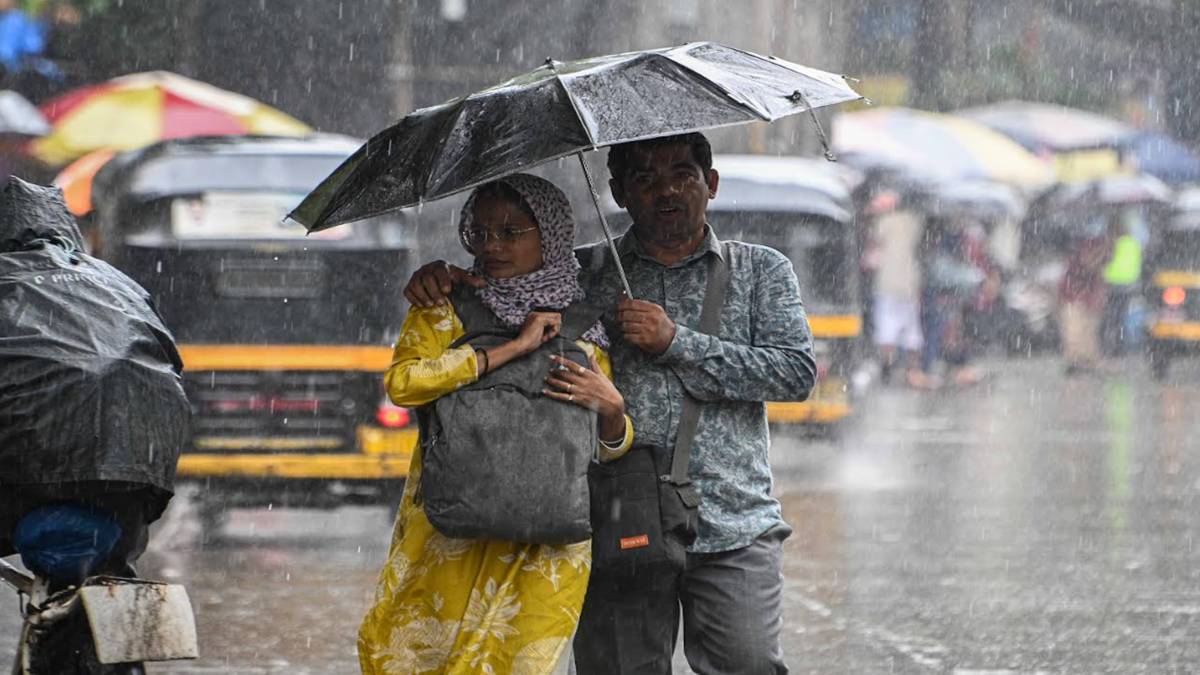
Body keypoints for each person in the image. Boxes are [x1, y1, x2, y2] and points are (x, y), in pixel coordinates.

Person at [404, 133, 816, 674]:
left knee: (749, 663)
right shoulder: (578, 274)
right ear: (618, 192)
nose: (665, 189)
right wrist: (444, 280)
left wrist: (677, 342)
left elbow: (795, 373)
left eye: (682, 174)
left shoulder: (761, 271)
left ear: (710, 184)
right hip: (615, 518)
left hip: (731, 521)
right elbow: (497, 289)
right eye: (643, 177)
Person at [358, 174, 634, 675]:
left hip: (545, 548)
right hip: (446, 535)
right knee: (415, 659)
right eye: (480, 233)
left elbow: (606, 445)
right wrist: (512, 348)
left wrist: (614, 412)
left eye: (512, 232)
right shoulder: (441, 306)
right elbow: (405, 384)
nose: (493, 246)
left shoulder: (586, 317)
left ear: (549, 234)